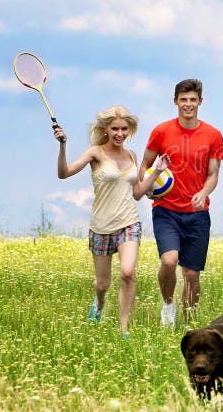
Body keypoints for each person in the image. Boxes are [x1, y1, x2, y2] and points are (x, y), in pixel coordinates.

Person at [53, 105, 170, 338]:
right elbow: (63, 173)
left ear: (129, 130)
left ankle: (124, 329)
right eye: (115, 129)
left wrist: (157, 171)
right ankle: (99, 303)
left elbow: (137, 193)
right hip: (101, 227)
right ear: (106, 129)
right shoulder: (95, 153)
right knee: (102, 283)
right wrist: (63, 145)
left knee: (127, 273)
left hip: (129, 222)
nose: (120, 133)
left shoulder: (131, 156)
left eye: (124, 129)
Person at [139, 79, 223, 329]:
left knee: (191, 274)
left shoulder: (213, 135)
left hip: (197, 213)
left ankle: (189, 325)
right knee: (169, 261)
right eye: (183, 99)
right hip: (165, 210)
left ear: (200, 102)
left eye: (193, 99)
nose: (188, 104)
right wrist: (148, 188)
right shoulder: (161, 131)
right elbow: (144, 166)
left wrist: (203, 192)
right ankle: (168, 305)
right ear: (175, 101)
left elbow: (213, 174)